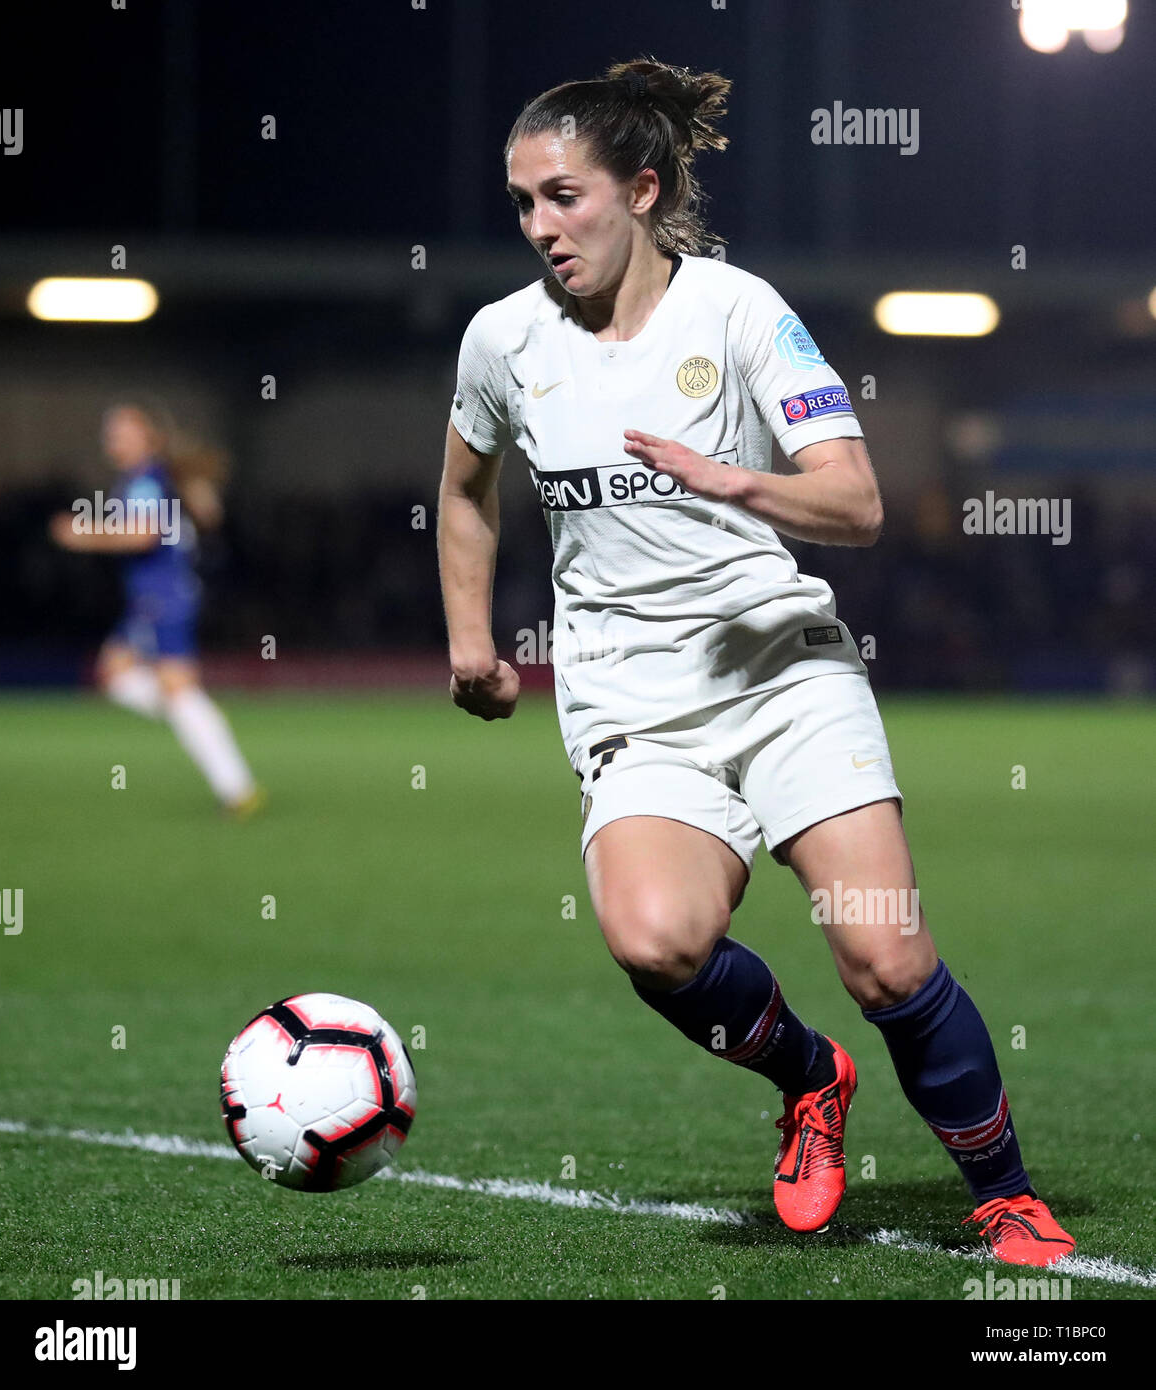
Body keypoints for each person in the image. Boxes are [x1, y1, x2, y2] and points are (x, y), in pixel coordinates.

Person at [437, 57, 1074, 1266]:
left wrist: (738, 480)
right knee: (656, 943)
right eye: (521, 203)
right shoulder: (501, 342)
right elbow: (462, 494)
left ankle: (1001, 1190)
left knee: (885, 956)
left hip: (782, 672)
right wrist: (471, 640)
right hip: (632, 701)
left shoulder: (737, 311)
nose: (538, 227)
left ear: (641, 186)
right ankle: (807, 1079)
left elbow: (859, 502)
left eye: (562, 196)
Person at [50, 400, 263, 817]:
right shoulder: (150, 478)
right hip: (155, 598)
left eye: (122, 431)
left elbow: (143, 536)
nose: (112, 439)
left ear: (145, 436)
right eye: (110, 431)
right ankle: (195, 715)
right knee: (115, 675)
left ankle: (236, 785)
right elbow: (206, 516)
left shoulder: (146, 481)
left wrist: (83, 534)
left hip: (162, 599)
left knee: (163, 688)